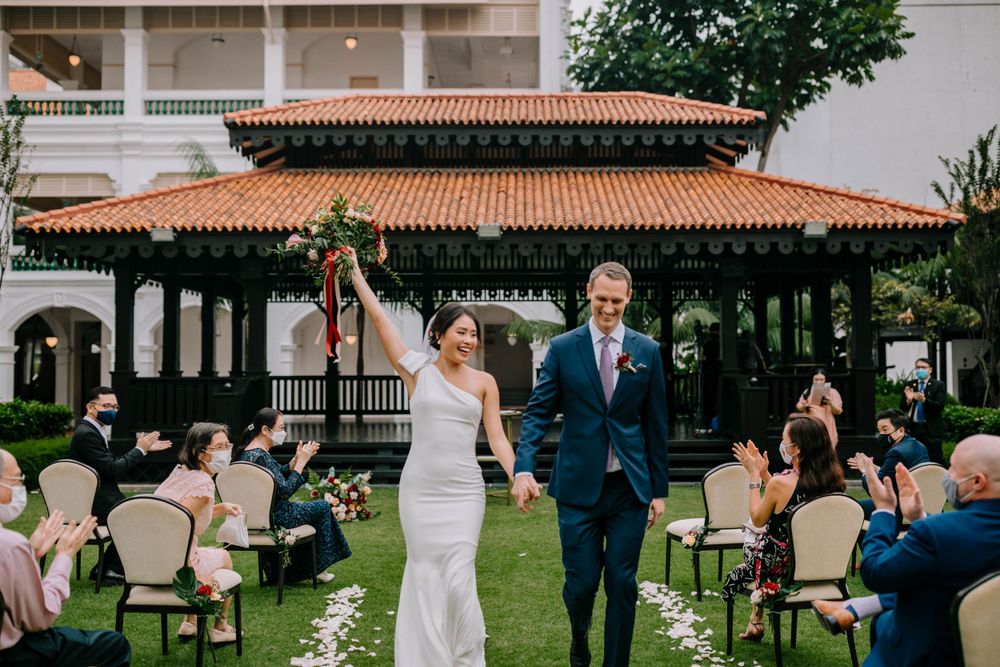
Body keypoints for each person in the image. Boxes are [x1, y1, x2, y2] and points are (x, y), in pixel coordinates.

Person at [348, 248, 516, 667]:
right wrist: (353, 272)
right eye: (460, 331)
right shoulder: (417, 371)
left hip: (464, 492)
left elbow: (496, 438)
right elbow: (380, 318)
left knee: (459, 577)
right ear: (438, 334)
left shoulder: (484, 382)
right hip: (420, 492)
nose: (469, 340)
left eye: (473, 334)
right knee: (425, 574)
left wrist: (519, 475)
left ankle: (462, 655)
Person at [513, 261, 670, 667]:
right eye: (601, 298)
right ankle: (579, 634)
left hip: (628, 489)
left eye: (616, 300)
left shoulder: (647, 351)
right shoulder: (564, 348)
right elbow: (537, 413)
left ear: (628, 298)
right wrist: (524, 468)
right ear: (588, 292)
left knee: (621, 582)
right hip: (577, 489)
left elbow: (656, 425)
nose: (608, 308)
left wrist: (658, 491)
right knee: (582, 584)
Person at [837, 436, 1000, 666]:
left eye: (953, 468)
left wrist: (884, 511)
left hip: (931, 651)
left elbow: (876, 573)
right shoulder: (942, 531)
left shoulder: (936, 534)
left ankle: (860, 607)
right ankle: (861, 607)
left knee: (886, 621)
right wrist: (919, 517)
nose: (947, 475)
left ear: (977, 482)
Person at [0, 448, 132, 666]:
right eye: (15, 479)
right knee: (114, 645)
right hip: (12, 653)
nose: (18, 487)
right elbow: (38, 618)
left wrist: (30, 553)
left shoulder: (11, 548)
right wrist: (64, 557)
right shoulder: (9, 545)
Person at [721, 414, 845, 643]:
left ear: (797, 448)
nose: (782, 446)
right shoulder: (833, 481)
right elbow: (791, 499)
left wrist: (754, 477)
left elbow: (758, 519)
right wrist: (767, 475)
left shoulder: (781, 483)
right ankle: (755, 618)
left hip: (781, 565)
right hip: (818, 561)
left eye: (784, 440)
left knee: (754, 539)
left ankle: (755, 618)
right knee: (763, 541)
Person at [232, 408, 350, 585]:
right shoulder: (261, 456)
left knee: (313, 509)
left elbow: (274, 478)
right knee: (323, 507)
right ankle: (317, 569)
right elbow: (285, 491)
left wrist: (294, 461)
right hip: (278, 516)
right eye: (281, 427)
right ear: (265, 430)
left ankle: (303, 569)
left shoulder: (249, 453)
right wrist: (301, 463)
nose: (283, 432)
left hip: (260, 516)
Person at [69, 385, 171, 583]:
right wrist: (139, 450)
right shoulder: (86, 433)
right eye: (107, 406)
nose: (112, 411)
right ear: (91, 407)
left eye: (115, 407)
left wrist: (143, 449)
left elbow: (108, 461)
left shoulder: (93, 429)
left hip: (101, 496)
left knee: (143, 513)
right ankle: (110, 569)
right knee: (137, 516)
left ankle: (105, 568)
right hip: (93, 500)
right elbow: (113, 468)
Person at [154, 422, 242, 645]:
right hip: (179, 558)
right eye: (219, 447)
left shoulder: (181, 472)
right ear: (199, 452)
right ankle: (220, 626)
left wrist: (221, 508)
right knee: (225, 556)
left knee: (212, 553)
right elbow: (181, 522)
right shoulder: (203, 484)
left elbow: (186, 512)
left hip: (154, 555)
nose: (225, 452)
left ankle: (189, 623)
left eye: (227, 445)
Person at [847, 409, 929, 519]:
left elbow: (877, 491)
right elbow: (895, 473)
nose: (881, 434)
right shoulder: (920, 446)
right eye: (879, 430)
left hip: (898, 508)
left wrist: (865, 470)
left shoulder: (896, 452)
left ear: (900, 431)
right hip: (922, 503)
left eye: (885, 430)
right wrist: (874, 468)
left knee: (849, 508)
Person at [899, 358, 946, 463]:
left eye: (923, 367)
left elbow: (939, 406)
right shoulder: (910, 384)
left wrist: (924, 400)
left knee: (935, 458)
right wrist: (908, 400)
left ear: (930, 370)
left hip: (931, 429)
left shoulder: (938, 385)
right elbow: (902, 407)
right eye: (918, 367)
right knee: (914, 458)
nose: (920, 370)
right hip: (914, 428)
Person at [794, 368, 843, 447]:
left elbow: (838, 411)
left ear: (825, 380)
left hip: (826, 424)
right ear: (812, 380)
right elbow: (799, 407)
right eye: (816, 379)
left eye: (821, 379)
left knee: (826, 449)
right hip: (810, 425)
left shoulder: (833, 392)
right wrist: (804, 405)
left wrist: (830, 403)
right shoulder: (807, 391)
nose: (818, 382)